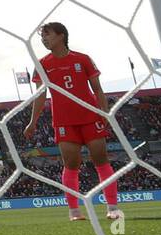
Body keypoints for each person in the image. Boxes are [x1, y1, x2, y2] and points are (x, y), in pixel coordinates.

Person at [24, 22, 121, 221]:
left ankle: (112, 207)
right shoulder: (42, 64)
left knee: (100, 159)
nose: (43, 39)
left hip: (90, 117)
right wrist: (32, 121)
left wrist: (104, 113)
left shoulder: (83, 59)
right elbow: (41, 95)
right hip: (64, 121)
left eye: (47, 34)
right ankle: (74, 212)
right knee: (71, 163)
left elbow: (97, 89)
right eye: (42, 36)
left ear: (61, 35)